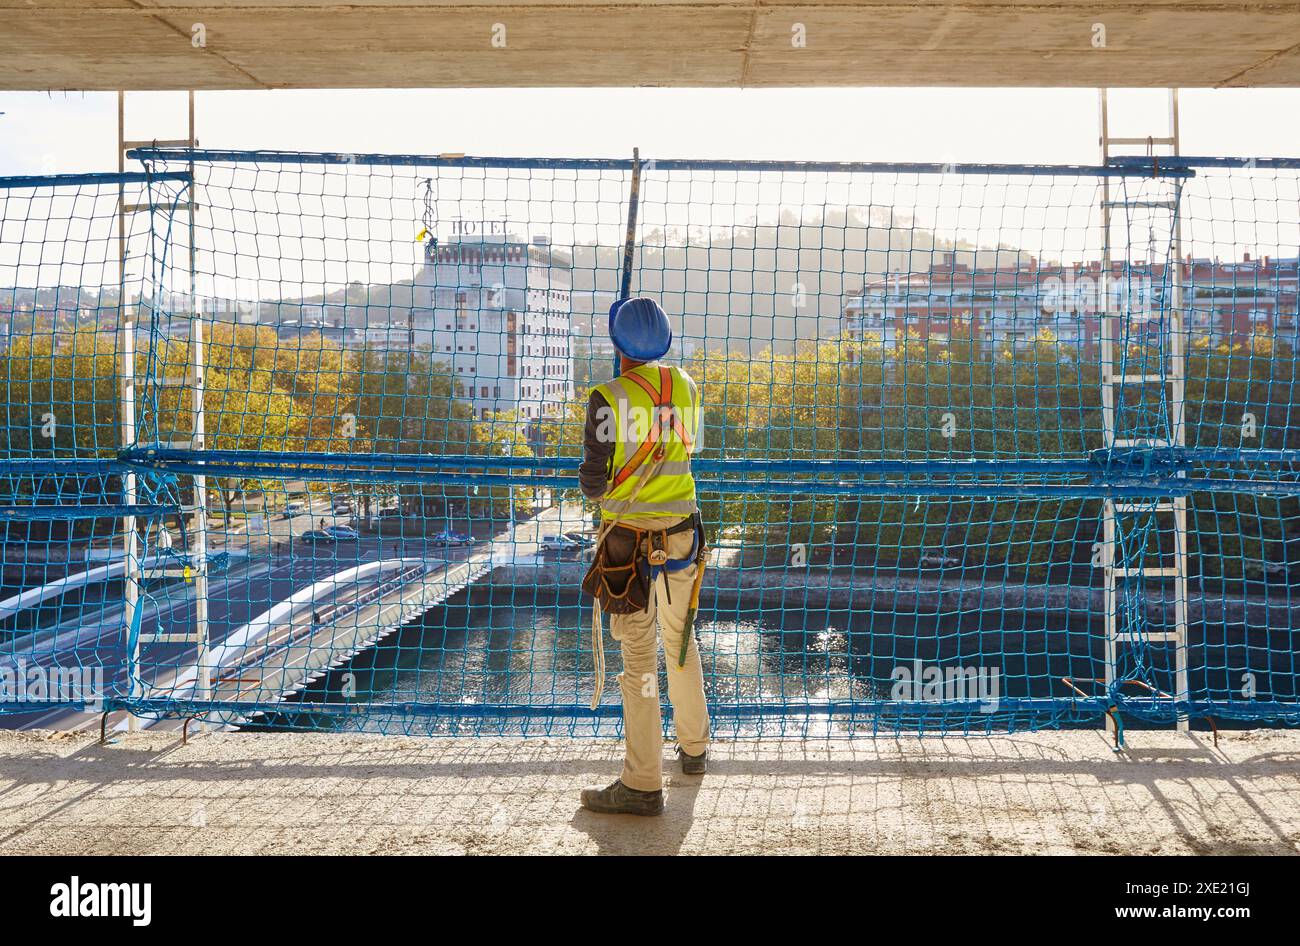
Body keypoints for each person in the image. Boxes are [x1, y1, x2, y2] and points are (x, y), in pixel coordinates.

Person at [577, 297, 708, 816]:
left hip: (628, 544)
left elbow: (591, 483)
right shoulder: (687, 386)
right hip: (683, 534)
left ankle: (642, 783)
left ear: (616, 343)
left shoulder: (606, 397)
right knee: (680, 643)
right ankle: (694, 750)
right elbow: (687, 447)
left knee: (639, 663)